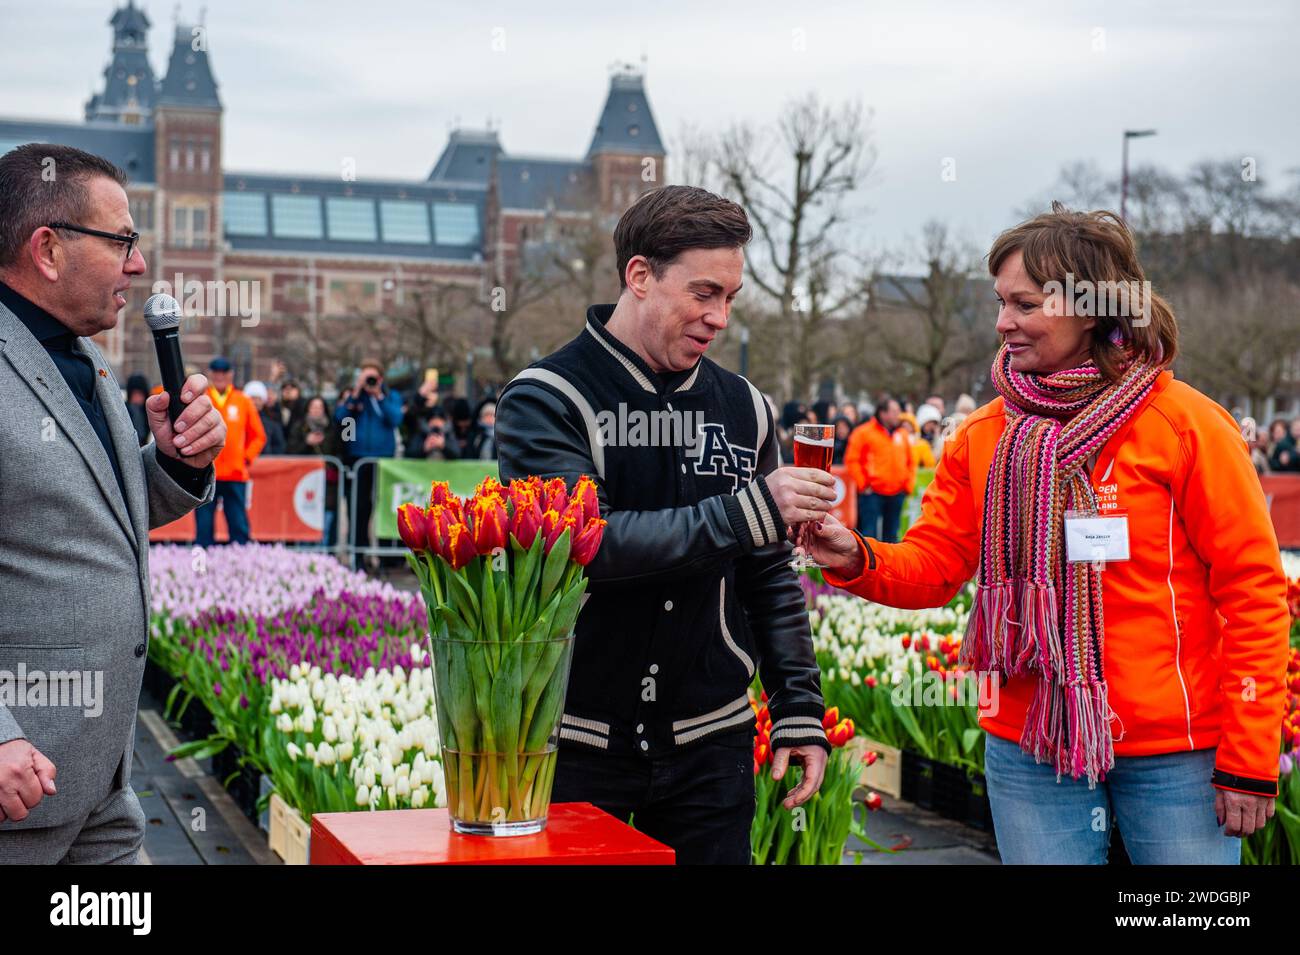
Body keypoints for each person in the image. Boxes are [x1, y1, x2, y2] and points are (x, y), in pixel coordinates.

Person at [802, 202, 1290, 864]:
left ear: (1090, 308)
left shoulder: (1188, 425)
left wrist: (1250, 755)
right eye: (1001, 302)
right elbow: (937, 564)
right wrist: (854, 556)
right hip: (1032, 746)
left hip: (1177, 752)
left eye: (1025, 305)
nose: (1003, 323)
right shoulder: (983, 434)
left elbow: (1253, 591)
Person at [497, 185, 836, 864]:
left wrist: (798, 705)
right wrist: (752, 509)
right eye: (704, 292)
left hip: (714, 744)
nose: (720, 316)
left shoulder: (746, 406)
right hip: (575, 742)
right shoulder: (545, 397)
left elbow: (767, 572)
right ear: (640, 275)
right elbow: (587, 546)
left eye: (732, 297)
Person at [0, 143, 223, 862]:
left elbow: (89, 516)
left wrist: (177, 465)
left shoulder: (84, 361)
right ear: (48, 250)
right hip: (18, 786)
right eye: (122, 240)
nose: (138, 265)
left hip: (102, 790)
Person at [334, 358, 402, 557]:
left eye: (373, 377)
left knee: (384, 508)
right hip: (359, 458)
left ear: (380, 378)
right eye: (366, 377)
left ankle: (384, 557)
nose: (370, 381)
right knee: (360, 507)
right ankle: (358, 554)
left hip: (383, 460)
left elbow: (395, 419)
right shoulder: (355, 398)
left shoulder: (390, 396)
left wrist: (378, 396)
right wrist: (356, 392)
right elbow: (341, 419)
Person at [195, 357, 266, 546]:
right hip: (206, 471)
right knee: (203, 525)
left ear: (230, 375)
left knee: (238, 524)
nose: (219, 376)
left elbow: (258, 436)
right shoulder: (201, 399)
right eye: (216, 372)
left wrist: (246, 458)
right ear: (210, 374)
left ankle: (240, 565)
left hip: (235, 472)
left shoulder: (243, 401)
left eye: (223, 373)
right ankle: (201, 567)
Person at [844, 395, 915, 543]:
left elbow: (910, 461)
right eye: (894, 411)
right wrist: (863, 484)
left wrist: (907, 486)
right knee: (869, 536)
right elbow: (852, 460)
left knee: (892, 536)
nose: (898, 415)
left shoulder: (902, 434)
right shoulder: (863, 433)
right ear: (883, 413)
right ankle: (869, 566)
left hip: (897, 493)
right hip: (872, 494)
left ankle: (889, 567)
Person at [289, 395, 342, 547]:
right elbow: (290, 450)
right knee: (304, 518)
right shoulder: (299, 427)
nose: (316, 410)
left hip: (327, 484)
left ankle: (323, 553)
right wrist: (306, 442)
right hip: (303, 484)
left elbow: (340, 450)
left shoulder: (333, 428)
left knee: (326, 519)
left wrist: (332, 466)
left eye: (319, 407)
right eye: (313, 406)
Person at [243, 380, 285, 455]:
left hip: (265, 463)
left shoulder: (272, 422)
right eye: (252, 398)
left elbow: (279, 446)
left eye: (259, 399)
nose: (255, 402)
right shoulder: (238, 420)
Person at [124, 373, 150, 446]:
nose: (137, 397)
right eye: (134, 394)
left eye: (140, 394)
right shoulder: (125, 410)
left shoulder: (147, 410)